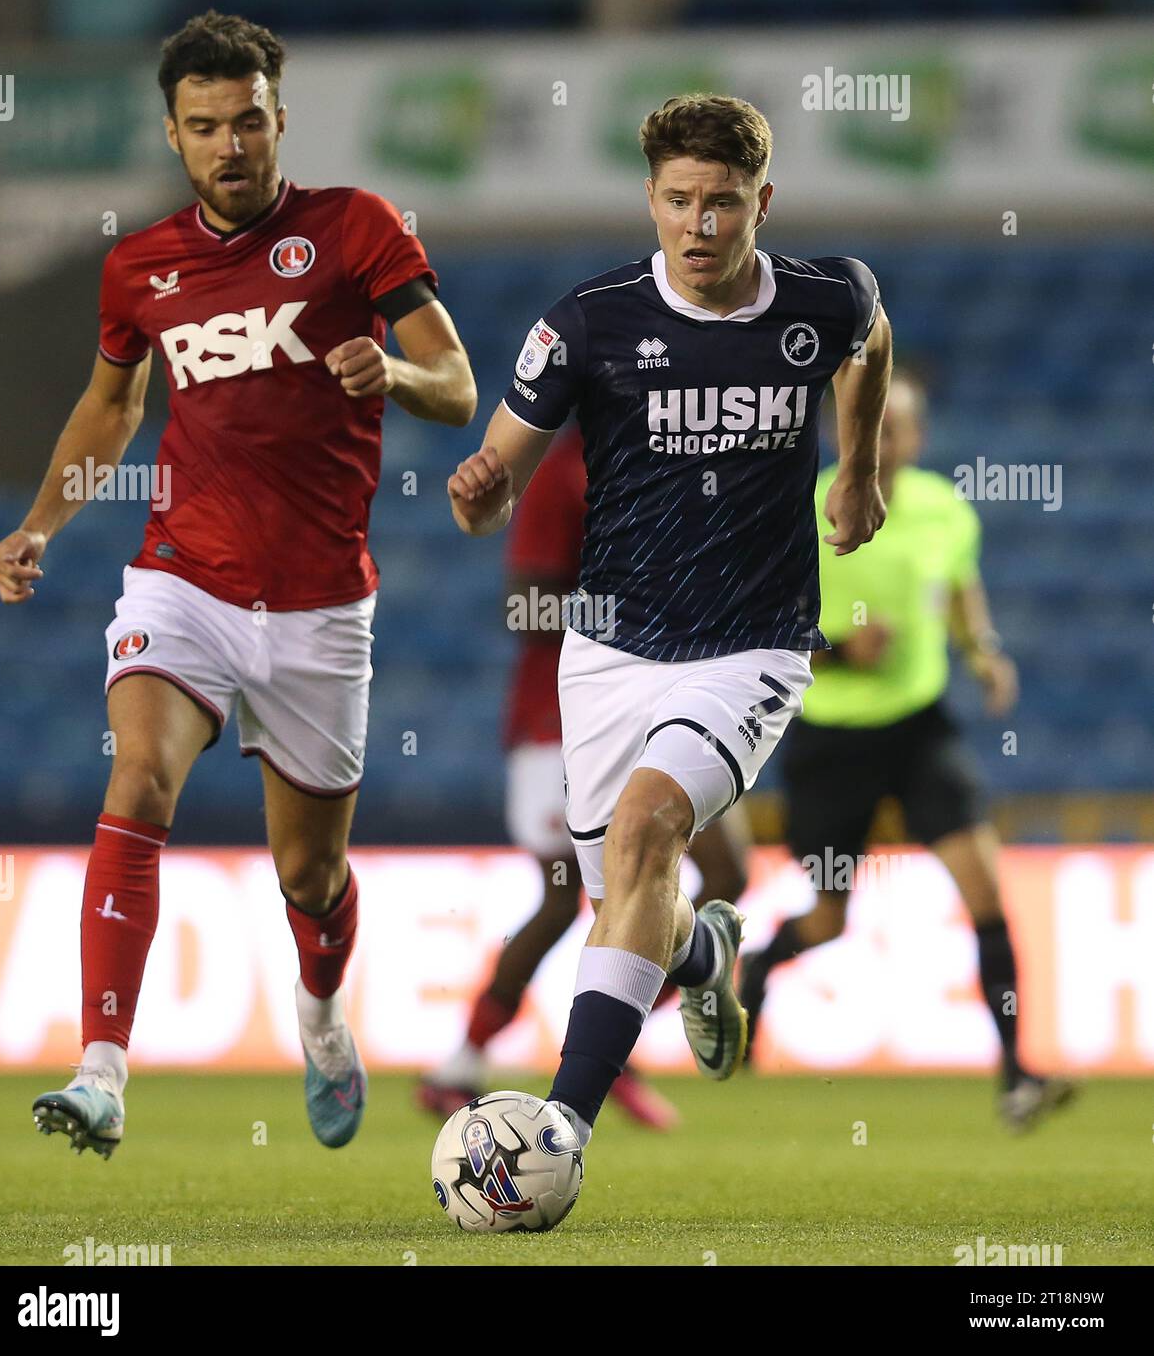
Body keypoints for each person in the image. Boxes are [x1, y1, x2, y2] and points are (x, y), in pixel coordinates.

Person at [0, 12, 476, 1158]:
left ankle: (319, 1015)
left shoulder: (354, 227)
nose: (229, 144)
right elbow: (112, 410)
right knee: (140, 777)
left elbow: (458, 386)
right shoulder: (139, 265)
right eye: (204, 126)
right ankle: (102, 1069)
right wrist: (41, 524)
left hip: (317, 607)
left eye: (247, 120)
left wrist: (392, 371)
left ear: (279, 119)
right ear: (173, 135)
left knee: (309, 875)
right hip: (182, 582)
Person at [447, 92, 890, 1178]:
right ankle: (705, 949)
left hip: (752, 642)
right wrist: (479, 490)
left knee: (650, 829)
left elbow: (870, 343)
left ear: (762, 202)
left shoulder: (825, 299)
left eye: (724, 204)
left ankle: (556, 1133)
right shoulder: (589, 321)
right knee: (628, 911)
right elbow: (500, 458)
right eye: (679, 201)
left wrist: (860, 464)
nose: (699, 226)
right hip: (606, 652)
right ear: (649, 198)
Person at [737, 371, 1075, 1130]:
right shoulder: (801, 506)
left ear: (917, 437)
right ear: (842, 430)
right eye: (869, 425)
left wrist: (984, 650)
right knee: (828, 922)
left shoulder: (945, 513)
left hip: (919, 728)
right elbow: (761, 627)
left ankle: (1019, 1074)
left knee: (985, 890)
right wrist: (842, 649)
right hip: (829, 735)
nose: (882, 441)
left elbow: (959, 588)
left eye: (895, 428)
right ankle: (760, 966)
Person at [420, 425, 751, 1128]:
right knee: (572, 897)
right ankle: (463, 1060)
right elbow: (524, 605)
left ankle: (609, 1048)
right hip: (563, 721)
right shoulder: (564, 469)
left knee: (726, 874)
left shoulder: (681, 453)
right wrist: (640, 612)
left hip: (677, 696)